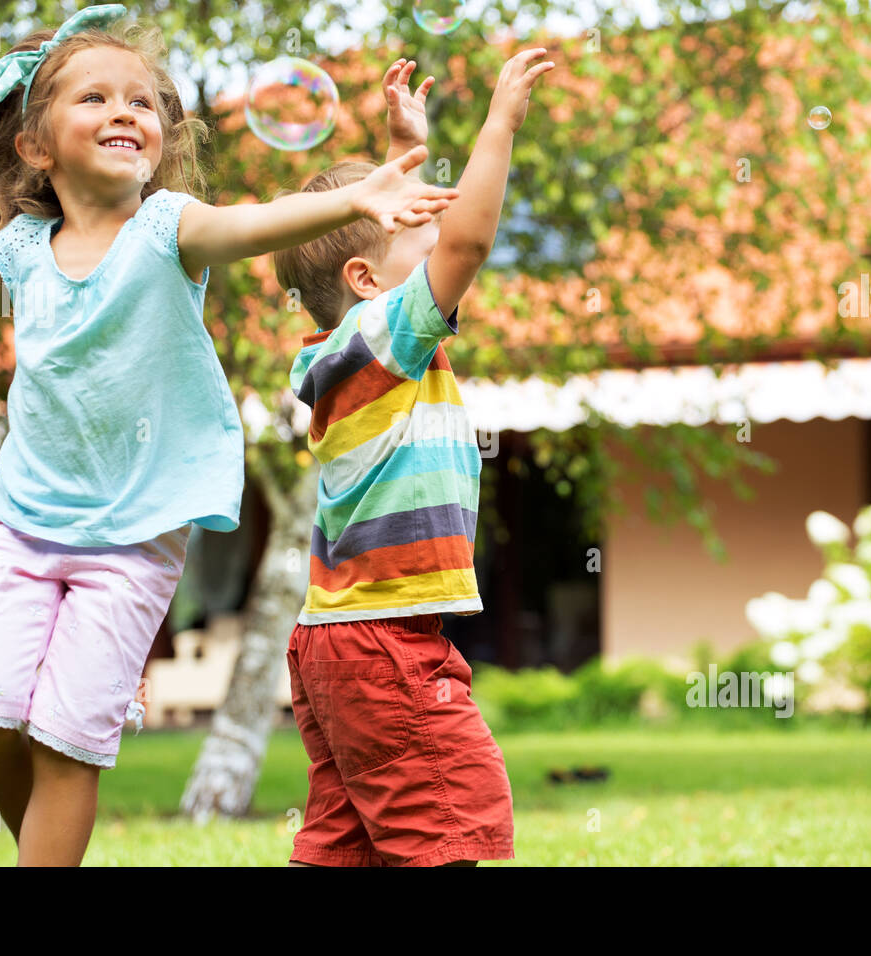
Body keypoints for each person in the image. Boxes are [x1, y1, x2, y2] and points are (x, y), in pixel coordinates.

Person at [0, 4, 457, 866]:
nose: (125, 113)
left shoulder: (169, 228)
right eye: (95, 98)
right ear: (36, 145)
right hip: (24, 522)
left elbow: (255, 224)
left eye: (142, 102)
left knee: (68, 738)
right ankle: (49, 842)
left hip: (136, 535)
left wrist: (363, 196)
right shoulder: (22, 251)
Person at [276, 48, 555, 867]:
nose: (439, 241)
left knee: (348, 841)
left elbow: (422, 234)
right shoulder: (382, 337)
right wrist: (499, 123)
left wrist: (407, 155)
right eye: (419, 232)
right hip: (384, 641)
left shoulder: (347, 351)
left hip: (336, 639)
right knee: (451, 809)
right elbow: (467, 244)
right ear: (366, 279)